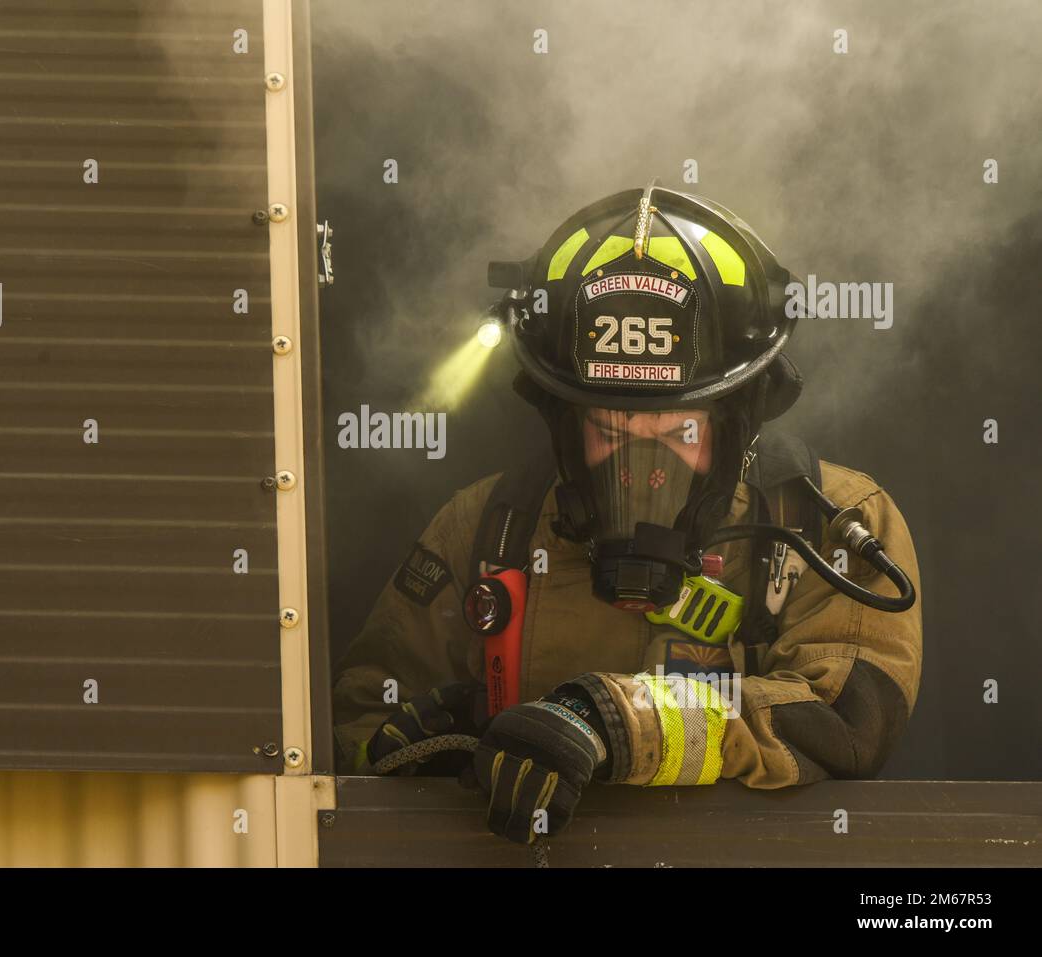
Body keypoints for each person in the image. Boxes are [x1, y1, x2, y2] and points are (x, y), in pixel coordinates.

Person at [331, 183, 922, 846]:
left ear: (737, 419)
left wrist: (612, 720)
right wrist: (455, 749)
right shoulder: (486, 528)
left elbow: (844, 720)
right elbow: (352, 735)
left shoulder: (829, 521)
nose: (647, 469)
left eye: (678, 429)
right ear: (561, 418)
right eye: (611, 429)